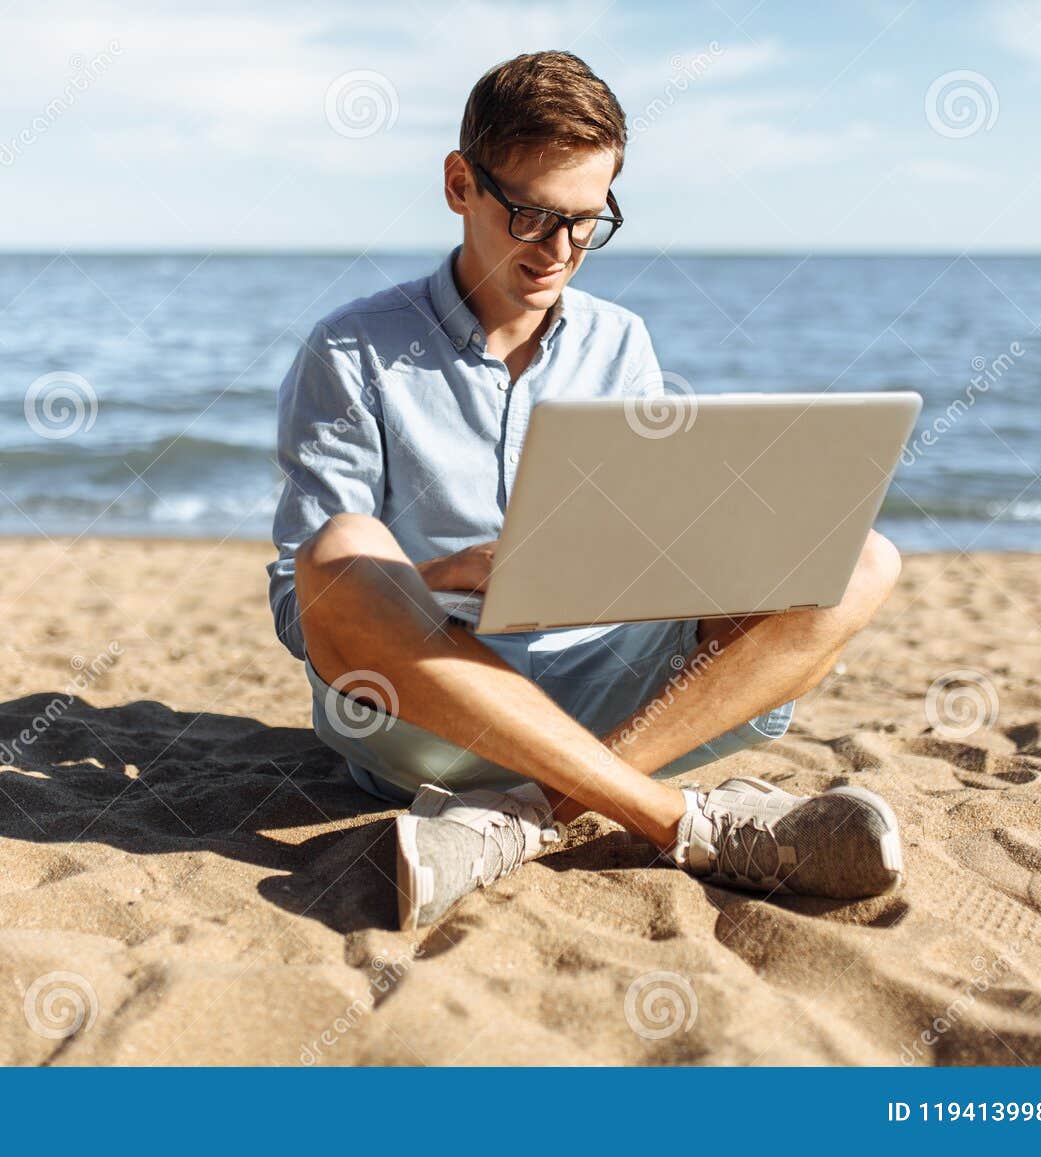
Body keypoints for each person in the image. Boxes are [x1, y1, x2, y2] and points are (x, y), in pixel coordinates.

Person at [267, 50, 905, 930]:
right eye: (530, 216)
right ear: (460, 184)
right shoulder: (352, 349)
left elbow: (649, 531)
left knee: (861, 556)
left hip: (608, 684)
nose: (558, 251)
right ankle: (673, 818)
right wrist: (457, 571)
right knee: (339, 548)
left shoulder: (622, 342)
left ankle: (527, 815)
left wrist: (696, 560)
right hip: (430, 707)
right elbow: (302, 610)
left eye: (586, 221)